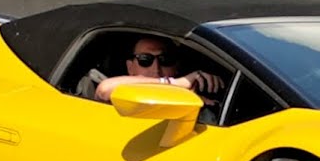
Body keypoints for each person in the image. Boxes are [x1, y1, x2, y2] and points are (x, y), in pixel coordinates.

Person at [79, 36, 224, 104]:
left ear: (177, 66)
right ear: (130, 67)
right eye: (145, 60)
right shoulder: (119, 92)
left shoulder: (196, 99)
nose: (156, 69)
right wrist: (177, 83)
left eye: (165, 59)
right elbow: (104, 90)